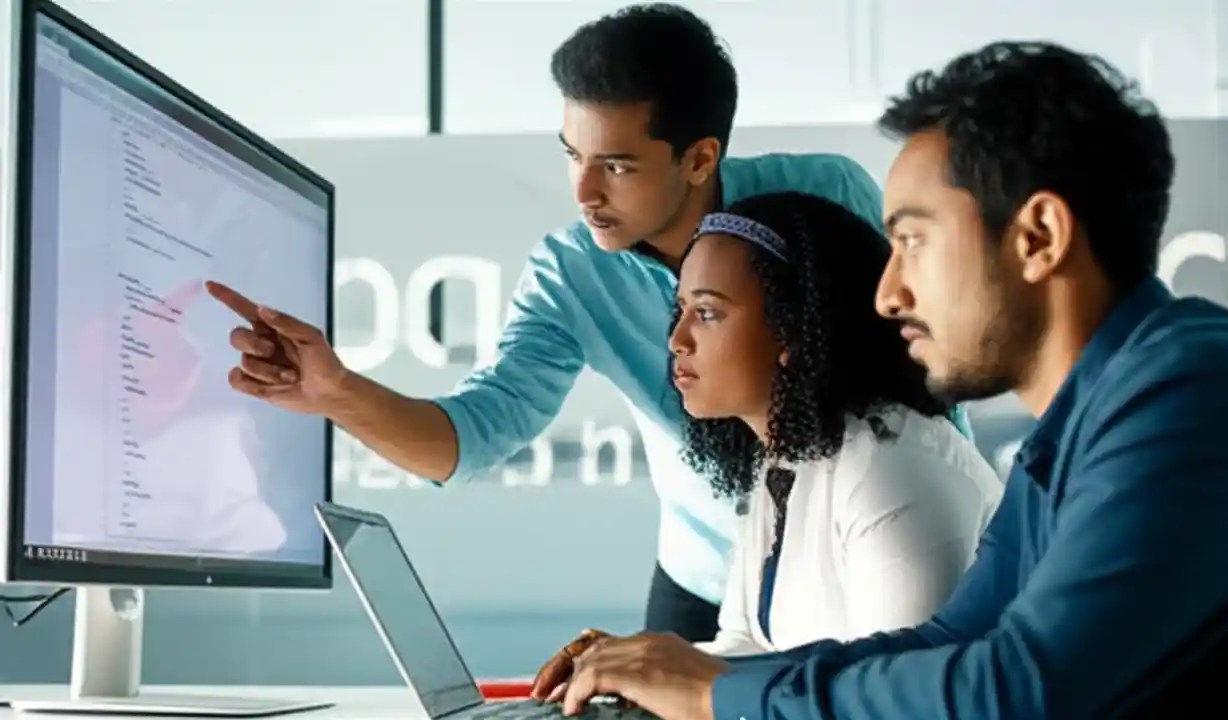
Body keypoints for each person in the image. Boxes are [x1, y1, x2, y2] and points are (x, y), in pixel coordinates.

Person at [552, 40, 1228, 720]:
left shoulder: (1191, 395)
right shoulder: (1079, 430)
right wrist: (680, 672)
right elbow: (946, 642)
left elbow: (1020, 691)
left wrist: (716, 694)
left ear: (1039, 238)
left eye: (913, 241)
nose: (888, 293)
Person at [205, 3, 967, 642]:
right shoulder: (571, 273)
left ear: (700, 159)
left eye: (618, 165)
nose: (583, 192)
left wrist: (951, 515)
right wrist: (336, 392)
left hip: (868, 538)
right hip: (712, 577)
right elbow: (474, 436)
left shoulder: (822, 200)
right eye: (572, 154)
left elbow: (917, 380)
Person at [527, 191, 1003, 700]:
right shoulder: (785, 460)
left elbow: (893, 699)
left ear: (791, 331)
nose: (677, 340)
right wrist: (637, 664)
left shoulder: (893, 469)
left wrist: (677, 682)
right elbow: (751, 646)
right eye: (681, 309)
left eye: (708, 313)